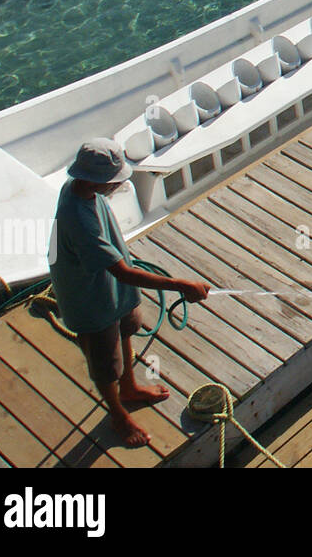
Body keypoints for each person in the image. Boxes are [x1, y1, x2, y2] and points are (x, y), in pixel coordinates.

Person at [49, 139, 210, 447]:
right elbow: (122, 271)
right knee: (105, 362)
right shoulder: (78, 219)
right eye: (113, 181)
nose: (116, 186)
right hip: (89, 296)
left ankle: (130, 387)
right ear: (95, 180)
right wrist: (181, 285)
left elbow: (118, 272)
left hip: (111, 285)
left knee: (127, 325)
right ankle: (118, 414)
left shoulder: (78, 187)